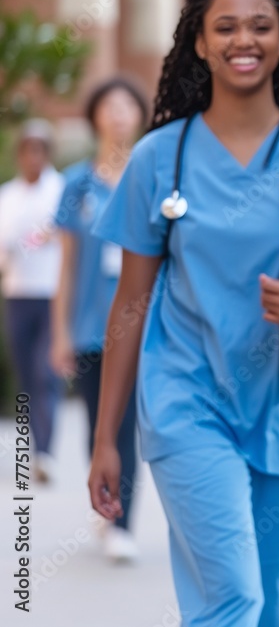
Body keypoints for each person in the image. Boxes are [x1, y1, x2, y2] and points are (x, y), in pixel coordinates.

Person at [87, 0, 279, 626]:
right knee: (231, 596)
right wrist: (107, 436)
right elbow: (130, 302)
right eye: (225, 26)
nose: (243, 39)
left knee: (278, 603)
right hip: (187, 403)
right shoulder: (161, 158)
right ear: (199, 42)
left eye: (260, 26)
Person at [51, 76, 147, 562]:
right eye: (108, 105)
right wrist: (59, 332)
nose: (117, 114)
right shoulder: (76, 184)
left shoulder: (151, 176)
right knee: (102, 425)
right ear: (93, 116)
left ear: (140, 115)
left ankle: (121, 520)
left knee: (131, 423)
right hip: (92, 328)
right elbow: (65, 267)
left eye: (126, 105)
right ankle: (109, 506)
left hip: (145, 327)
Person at [0, 119, 65, 484]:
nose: (33, 157)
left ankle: (46, 452)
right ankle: (32, 447)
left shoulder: (61, 191)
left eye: (40, 150)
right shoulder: (7, 196)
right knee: (26, 375)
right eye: (28, 150)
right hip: (17, 294)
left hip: (52, 293)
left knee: (45, 372)